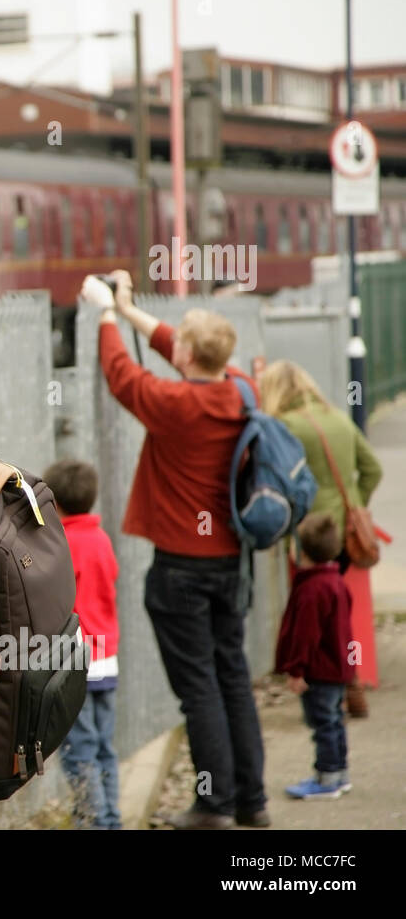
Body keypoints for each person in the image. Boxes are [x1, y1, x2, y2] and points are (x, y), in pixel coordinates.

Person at [78, 272, 268, 829]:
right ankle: (251, 801)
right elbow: (170, 348)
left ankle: (213, 803)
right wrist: (132, 310)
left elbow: (120, 374)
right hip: (231, 563)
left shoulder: (174, 403)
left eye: (178, 342)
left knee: (198, 688)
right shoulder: (238, 390)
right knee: (231, 675)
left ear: (187, 354)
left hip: (180, 570)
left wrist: (105, 315)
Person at [260, 360, 383, 715]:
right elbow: (372, 468)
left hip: (308, 535)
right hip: (343, 533)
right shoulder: (338, 418)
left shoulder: (284, 425)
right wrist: (355, 504)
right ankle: (352, 680)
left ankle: (319, 697)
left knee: (309, 615)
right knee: (338, 612)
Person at [45, 458, 121, 829]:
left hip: (77, 665)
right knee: (105, 747)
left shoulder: (63, 544)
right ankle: (110, 818)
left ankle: (90, 822)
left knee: (80, 752)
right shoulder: (101, 539)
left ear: (54, 502)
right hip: (106, 661)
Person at [274, 512, 355, 800]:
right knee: (334, 721)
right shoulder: (337, 582)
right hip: (337, 668)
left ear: (301, 551)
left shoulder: (311, 589)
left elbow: (305, 636)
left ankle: (327, 777)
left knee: (322, 723)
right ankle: (340, 772)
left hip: (319, 671)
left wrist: (297, 670)